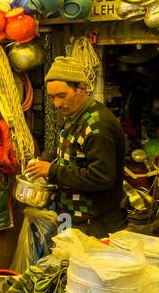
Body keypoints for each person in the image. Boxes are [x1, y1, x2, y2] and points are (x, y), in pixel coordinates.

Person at [24, 56, 127, 237]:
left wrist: (52, 171)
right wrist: (47, 160)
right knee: (65, 261)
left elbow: (101, 177)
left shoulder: (98, 125)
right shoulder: (73, 117)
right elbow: (73, 156)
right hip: (69, 217)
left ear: (81, 89)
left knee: (87, 264)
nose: (56, 104)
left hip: (93, 223)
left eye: (62, 96)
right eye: (52, 97)